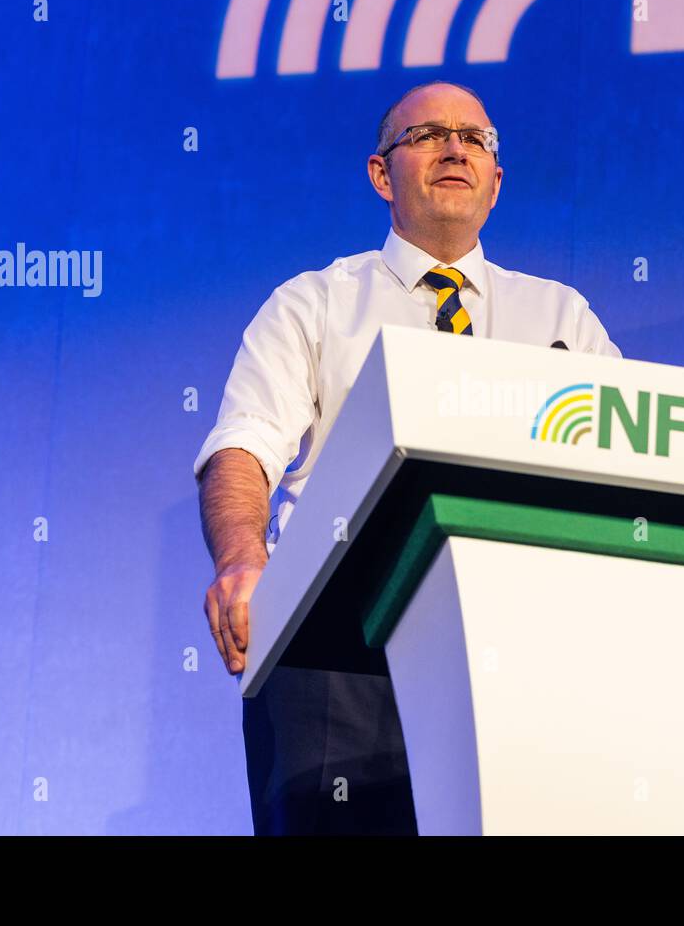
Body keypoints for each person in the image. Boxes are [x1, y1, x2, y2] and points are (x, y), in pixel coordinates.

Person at [193, 80, 622, 835]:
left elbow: (627, 463)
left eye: (475, 138)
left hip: (519, 663)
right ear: (381, 174)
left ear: (496, 180)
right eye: (427, 135)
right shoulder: (315, 304)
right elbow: (244, 445)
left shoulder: (561, 319)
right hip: (339, 653)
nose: (456, 147)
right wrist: (239, 559)